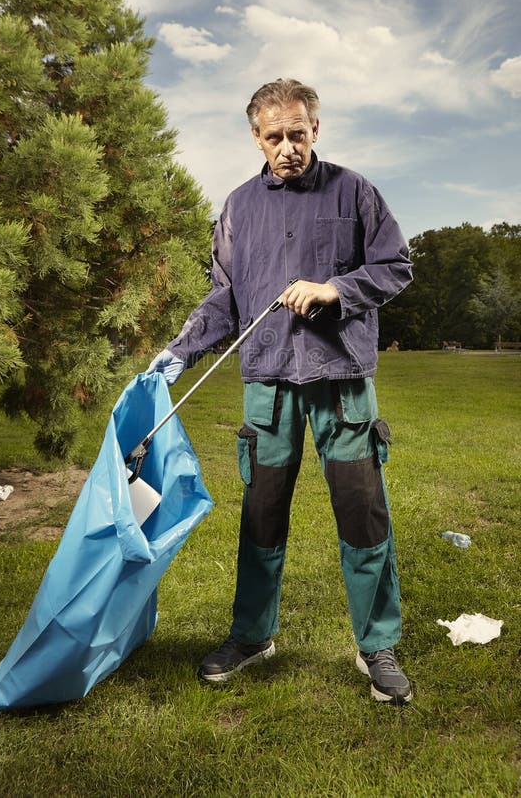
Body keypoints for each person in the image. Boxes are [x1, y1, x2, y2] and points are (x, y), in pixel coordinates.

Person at [147, 79, 414, 704]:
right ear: (256, 137)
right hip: (267, 386)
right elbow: (223, 299)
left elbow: (396, 264)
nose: (288, 146)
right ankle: (252, 635)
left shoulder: (355, 193)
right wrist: (175, 354)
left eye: (298, 133)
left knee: (363, 515)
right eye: (275, 136)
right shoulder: (238, 207)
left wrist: (335, 291)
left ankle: (377, 644)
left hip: (341, 385)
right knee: (261, 519)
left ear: (315, 129)